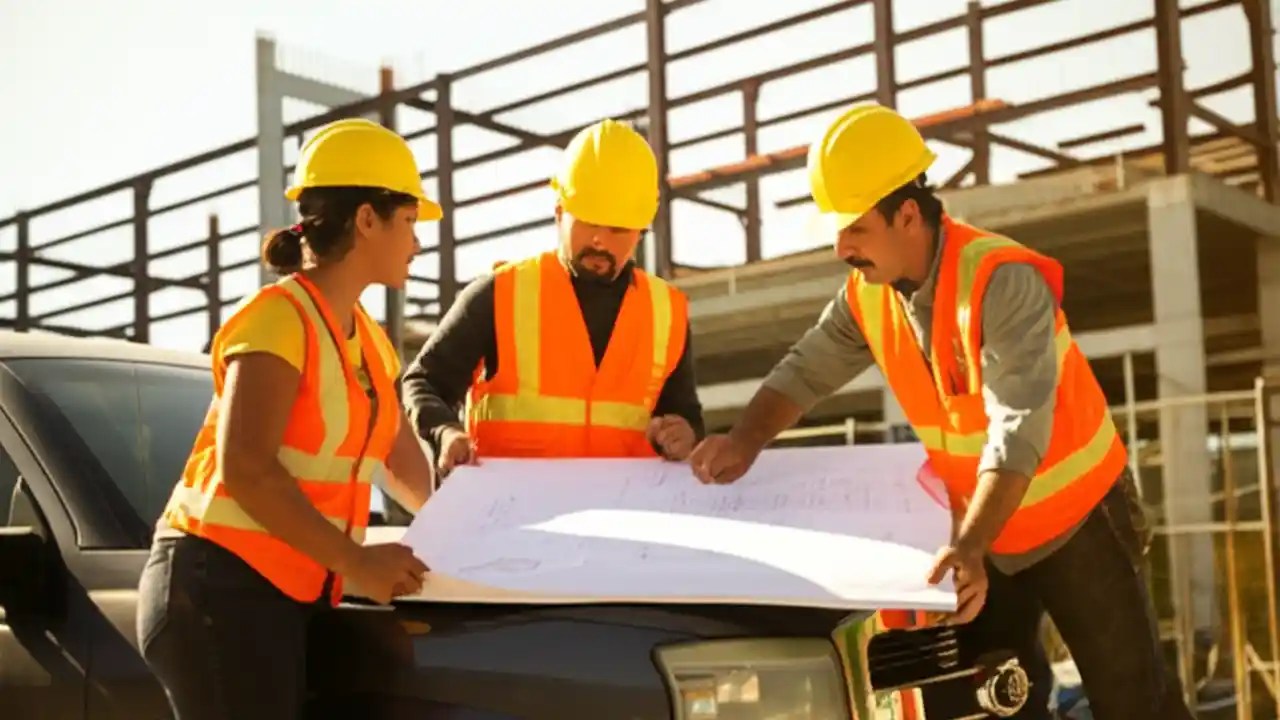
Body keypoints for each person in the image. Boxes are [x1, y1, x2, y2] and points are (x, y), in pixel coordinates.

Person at [686, 103, 1191, 720]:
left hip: (1079, 522)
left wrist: (970, 545)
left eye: (855, 228)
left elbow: (1017, 426)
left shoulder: (1001, 280)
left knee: (1135, 703)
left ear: (906, 215)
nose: (841, 247)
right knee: (990, 705)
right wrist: (743, 440)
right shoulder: (867, 297)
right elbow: (805, 370)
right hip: (986, 536)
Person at [136, 118, 438, 720]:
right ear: (367, 219)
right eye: (409, 220)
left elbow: (401, 455)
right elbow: (246, 468)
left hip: (288, 594)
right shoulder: (277, 319)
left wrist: (465, 529)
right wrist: (358, 563)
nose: (418, 242)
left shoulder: (371, 341)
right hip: (216, 588)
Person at [402, 118, 704, 470]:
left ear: (641, 230)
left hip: (622, 504)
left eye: (617, 228)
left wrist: (686, 434)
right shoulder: (500, 294)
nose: (600, 241)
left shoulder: (666, 313)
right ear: (559, 213)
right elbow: (425, 382)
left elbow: (684, 414)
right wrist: (445, 431)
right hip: (510, 503)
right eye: (588, 221)